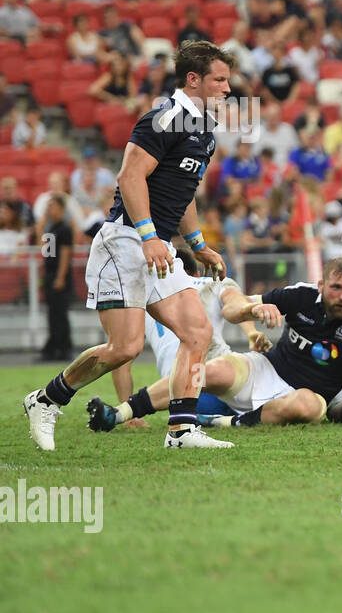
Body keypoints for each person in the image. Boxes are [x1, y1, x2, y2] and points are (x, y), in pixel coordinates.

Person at [23, 40, 234, 451]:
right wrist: (149, 235)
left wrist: (196, 243)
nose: (228, 89)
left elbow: (182, 191)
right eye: (220, 80)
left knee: (198, 332)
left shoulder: (203, 129)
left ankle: (181, 430)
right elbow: (129, 177)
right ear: (194, 80)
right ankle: (46, 399)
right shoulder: (163, 118)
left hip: (158, 247)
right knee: (125, 348)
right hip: (125, 242)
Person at [90, 258, 342, 430]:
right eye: (336, 287)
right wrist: (253, 309)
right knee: (205, 370)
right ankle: (119, 415)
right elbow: (231, 309)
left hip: (306, 395)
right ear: (321, 286)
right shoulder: (300, 295)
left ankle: (226, 423)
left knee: (309, 406)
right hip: (265, 369)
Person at [86, 247, 275, 429]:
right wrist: (251, 333)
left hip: (176, 394)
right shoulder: (212, 284)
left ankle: (123, 412)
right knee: (279, 400)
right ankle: (232, 417)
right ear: (195, 274)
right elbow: (237, 305)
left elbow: (122, 361)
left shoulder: (144, 300)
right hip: (223, 382)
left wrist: (130, 415)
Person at [39, 193, 73, 362]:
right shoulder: (50, 227)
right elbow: (44, 248)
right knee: (53, 313)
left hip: (59, 275)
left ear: (61, 208)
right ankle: (53, 347)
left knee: (60, 313)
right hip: (50, 274)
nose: (48, 209)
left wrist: (60, 276)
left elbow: (66, 253)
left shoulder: (64, 229)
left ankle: (64, 348)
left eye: (52, 205)